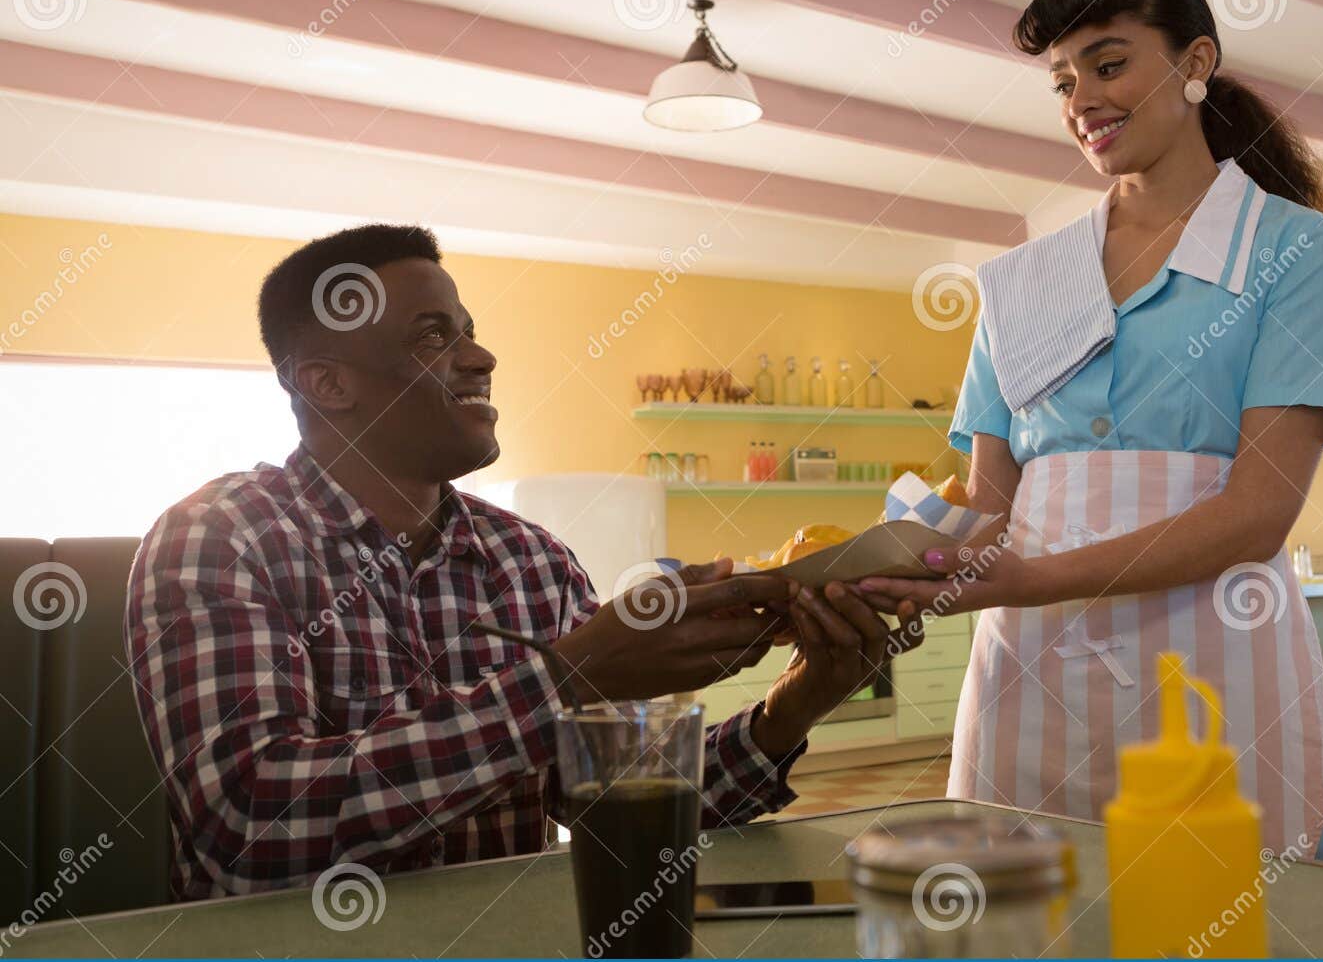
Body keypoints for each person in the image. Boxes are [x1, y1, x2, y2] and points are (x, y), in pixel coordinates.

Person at [126, 223, 922, 900]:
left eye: (468, 328)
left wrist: (795, 705)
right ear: (326, 382)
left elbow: (615, 799)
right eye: (434, 336)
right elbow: (251, 825)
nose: (482, 357)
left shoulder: (530, 559)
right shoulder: (219, 538)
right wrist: (570, 676)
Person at [858, 0, 1323, 864]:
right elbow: (989, 511)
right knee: (1032, 942)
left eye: (1109, 64)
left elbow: (1258, 514)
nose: (1080, 98)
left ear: (1195, 60)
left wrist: (1015, 580)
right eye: (1062, 81)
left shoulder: (1297, 250)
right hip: (1033, 668)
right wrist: (905, 565)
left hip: (1214, 654)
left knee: (1222, 941)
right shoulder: (1022, 283)